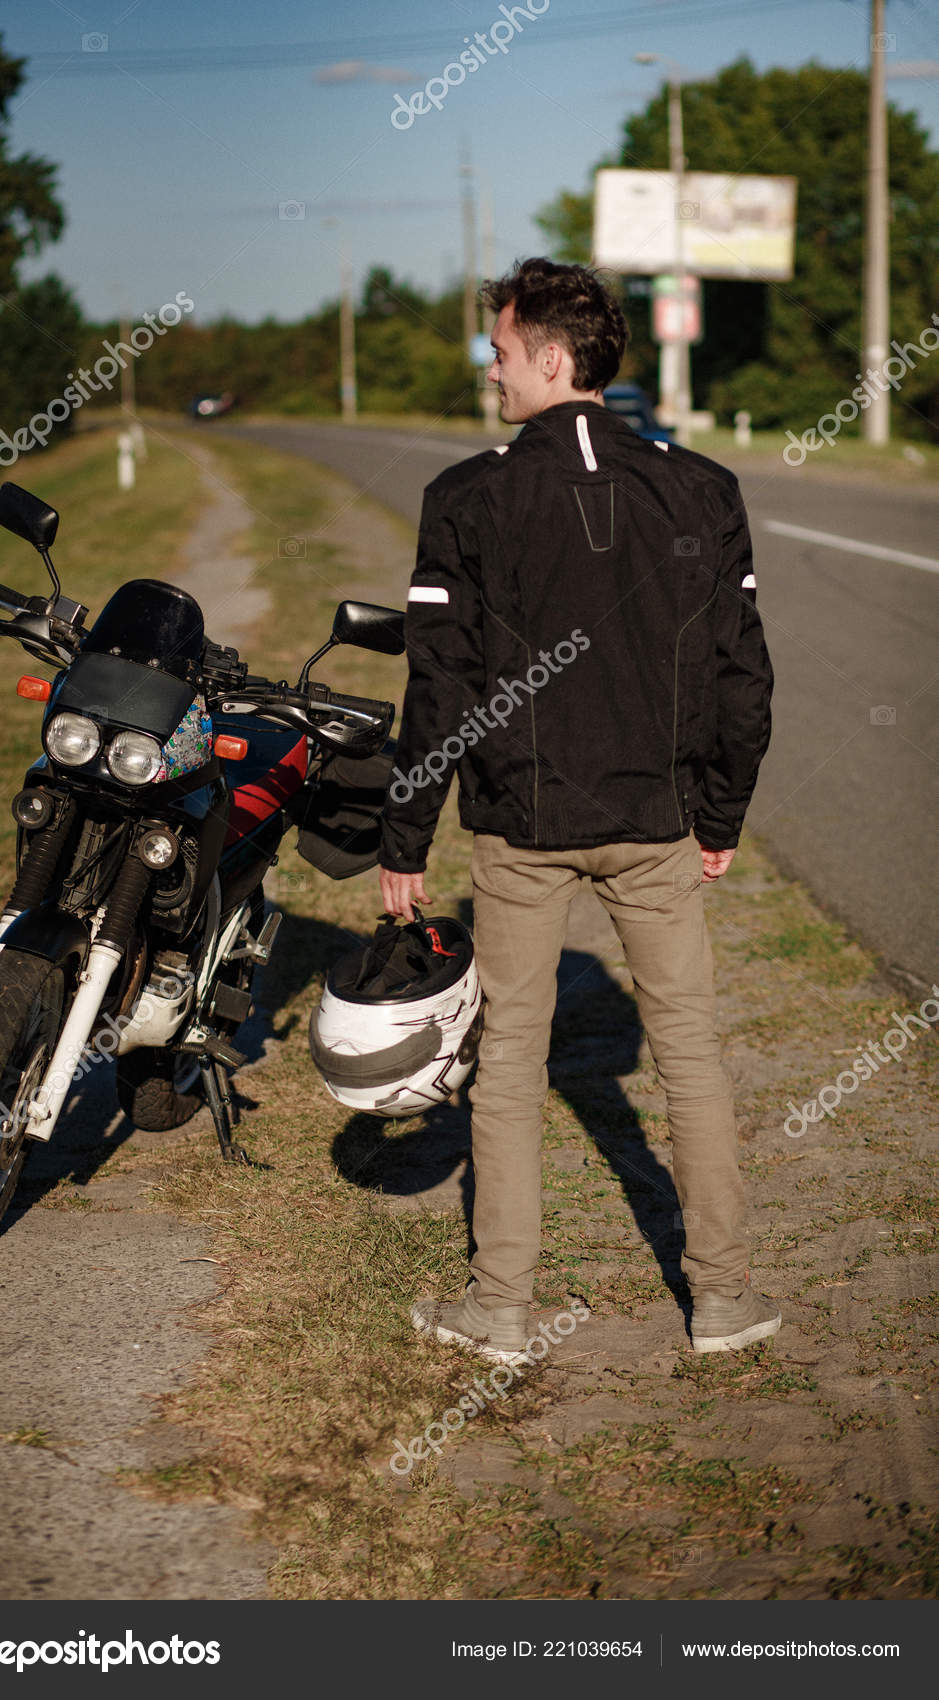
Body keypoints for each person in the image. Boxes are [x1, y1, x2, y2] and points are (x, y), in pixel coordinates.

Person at [378, 257, 779, 1361]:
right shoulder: (702, 488)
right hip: (656, 826)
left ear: (551, 359)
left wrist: (404, 833)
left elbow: (439, 684)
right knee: (687, 1051)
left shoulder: (467, 494)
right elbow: (742, 675)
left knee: (509, 1056)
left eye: (498, 350)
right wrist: (718, 813)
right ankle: (725, 1300)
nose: (488, 369)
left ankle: (500, 1311)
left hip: (521, 831)